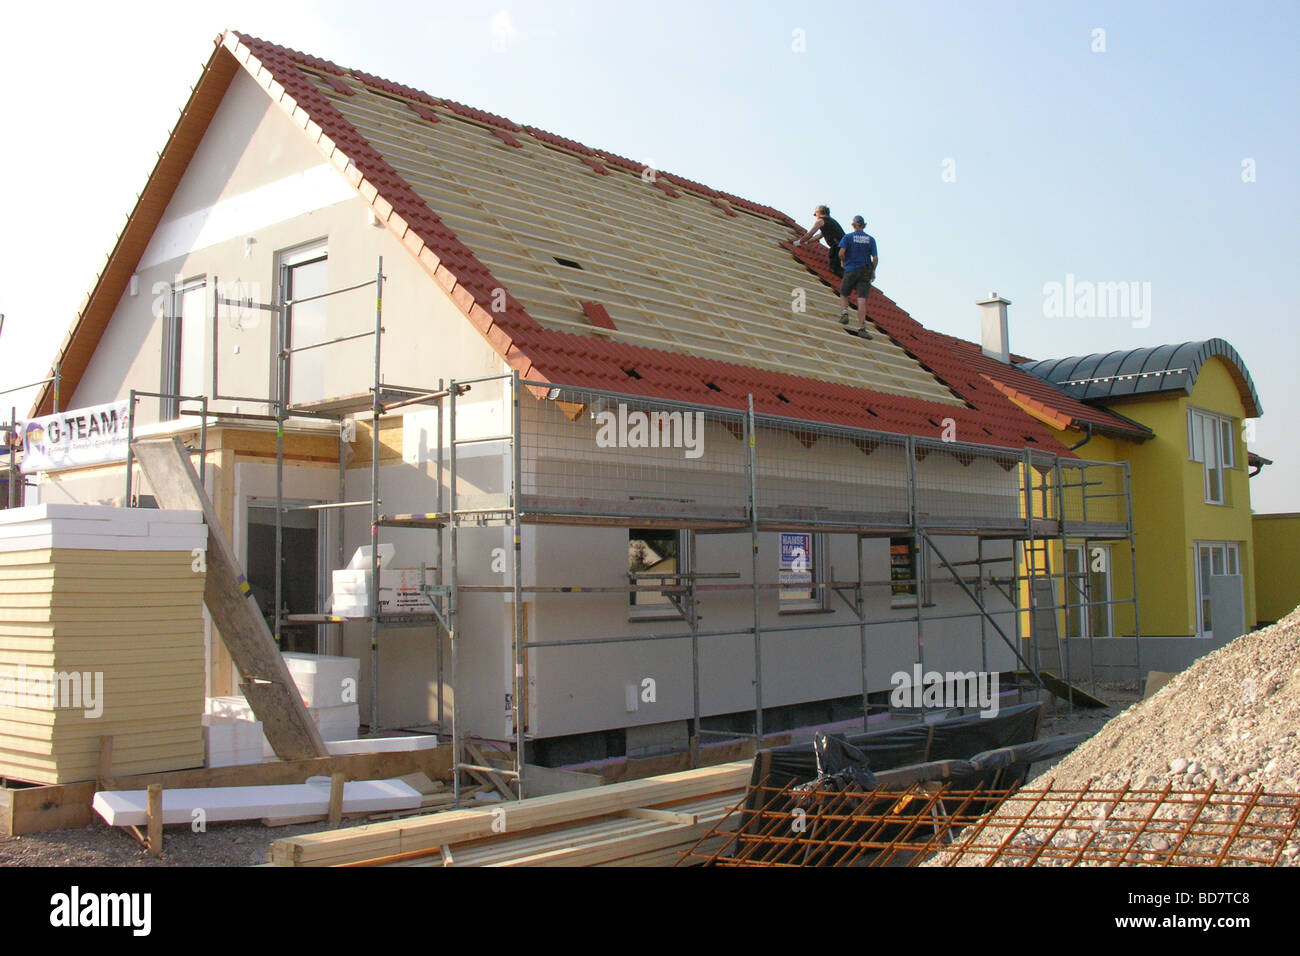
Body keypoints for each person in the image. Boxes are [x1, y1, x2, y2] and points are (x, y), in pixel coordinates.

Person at [837, 215, 878, 336]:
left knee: (844, 293)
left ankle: (845, 313)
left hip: (851, 269)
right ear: (864, 225)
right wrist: (873, 271)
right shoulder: (870, 239)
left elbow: (841, 253)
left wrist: (844, 261)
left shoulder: (848, 237)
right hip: (865, 271)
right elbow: (875, 258)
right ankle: (862, 328)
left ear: (853, 225)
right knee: (861, 299)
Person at [793, 205, 846, 277]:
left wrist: (799, 242)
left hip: (837, 248)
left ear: (819, 213)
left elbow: (810, 234)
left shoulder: (820, 221)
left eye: (815, 214)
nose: (815, 216)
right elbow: (819, 236)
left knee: (835, 269)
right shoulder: (831, 222)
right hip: (844, 247)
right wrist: (807, 242)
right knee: (842, 269)